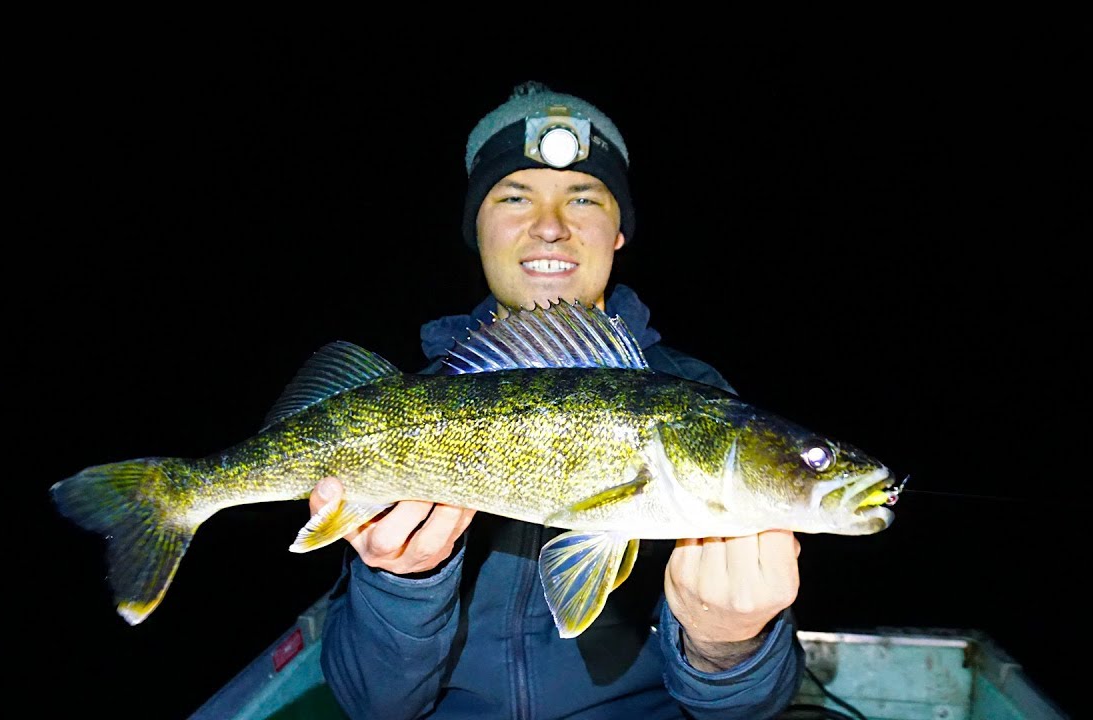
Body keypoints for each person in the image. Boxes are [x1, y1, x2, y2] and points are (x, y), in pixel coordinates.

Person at [307, 81, 805, 719]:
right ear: (476, 227)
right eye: (515, 196)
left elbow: (749, 710)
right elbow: (368, 706)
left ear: (619, 230)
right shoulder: (405, 402)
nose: (550, 227)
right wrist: (398, 580)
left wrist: (728, 645)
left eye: (584, 198)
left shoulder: (700, 401)